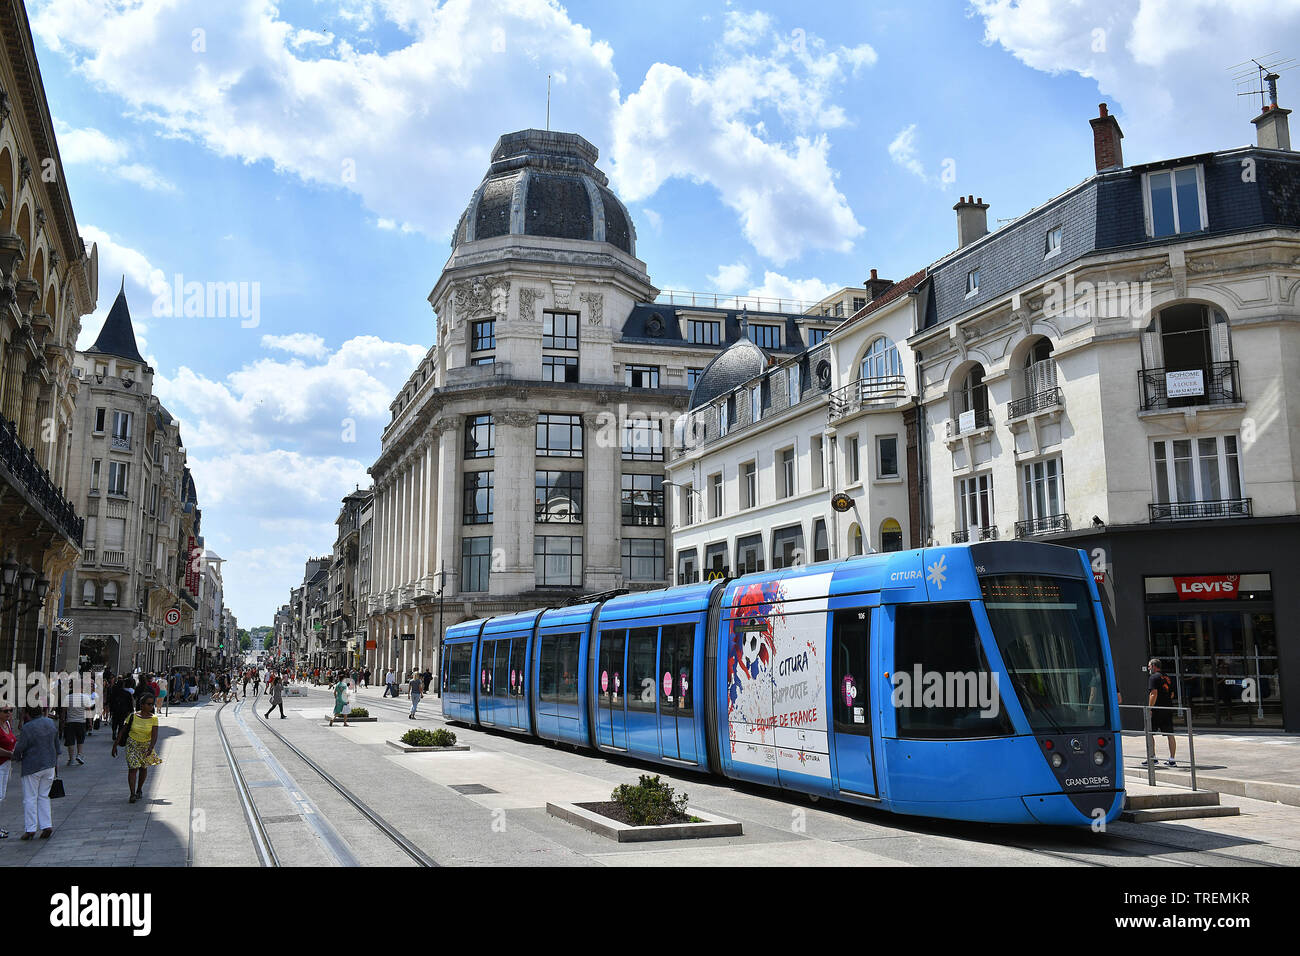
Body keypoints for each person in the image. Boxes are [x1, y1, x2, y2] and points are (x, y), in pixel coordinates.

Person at [12, 706, 60, 839]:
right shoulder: (50, 723)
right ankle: (46, 825)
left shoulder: (28, 728)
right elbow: (56, 744)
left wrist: (15, 757)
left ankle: (30, 828)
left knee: (30, 797)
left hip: (32, 765)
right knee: (44, 796)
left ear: (28, 714)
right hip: (49, 763)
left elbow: (21, 747)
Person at [113, 694, 159, 803]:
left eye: (152, 704)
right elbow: (123, 731)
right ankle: (132, 793)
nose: (151, 706)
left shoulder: (154, 718)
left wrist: (151, 747)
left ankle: (139, 789)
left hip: (146, 746)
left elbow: (154, 735)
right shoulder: (132, 716)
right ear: (141, 705)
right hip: (132, 744)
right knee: (133, 768)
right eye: (148, 704)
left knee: (143, 768)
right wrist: (115, 745)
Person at [1146, 658, 1177, 767]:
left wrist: (1149, 708)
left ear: (1154, 666)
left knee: (1149, 733)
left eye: (1149, 666)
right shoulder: (1167, 677)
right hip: (1168, 709)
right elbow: (1172, 694)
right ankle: (1172, 759)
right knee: (1170, 734)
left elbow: (1153, 693)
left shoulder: (1153, 677)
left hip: (1157, 710)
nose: (1148, 668)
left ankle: (1153, 758)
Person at [63, 681, 89, 766]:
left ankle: (71, 759)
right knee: (80, 740)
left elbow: (64, 711)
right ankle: (79, 755)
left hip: (70, 721)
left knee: (70, 741)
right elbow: (88, 710)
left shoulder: (67, 697)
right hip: (81, 721)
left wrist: (63, 721)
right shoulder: (85, 697)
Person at [0, 703, 16, 838]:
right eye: (5, 711)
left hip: (6, 765)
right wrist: (10, 754)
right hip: (0, 764)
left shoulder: (8, 725)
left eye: (10, 711)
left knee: (2, 796)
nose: (9, 713)